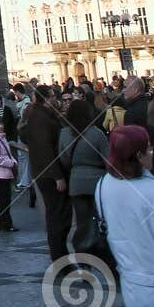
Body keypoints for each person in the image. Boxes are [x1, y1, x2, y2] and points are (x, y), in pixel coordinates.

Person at [95, 124, 154, 307]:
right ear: (138, 155)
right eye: (148, 148)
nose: (152, 152)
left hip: (130, 279)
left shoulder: (103, 184)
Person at [20, 89, 71, 262]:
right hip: (49, 174)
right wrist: (58, 176)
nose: (56, 99)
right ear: (47, 99)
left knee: (58, 215)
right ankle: (59, 257)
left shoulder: (40, 115)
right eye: (53, 96)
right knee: (57, 216)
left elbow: (25, 136)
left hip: (45, 171)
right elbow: (45, 149)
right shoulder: (41, 118)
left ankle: (60, 255)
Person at [57, 96, 108, 252]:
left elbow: (63, 159)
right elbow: (108, 159)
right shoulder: (97, 134)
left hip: (76, 182)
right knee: (99, 218)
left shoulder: (64, 134)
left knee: (82, 220)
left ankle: (82, 250)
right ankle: (99, 248)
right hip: (97, 182)